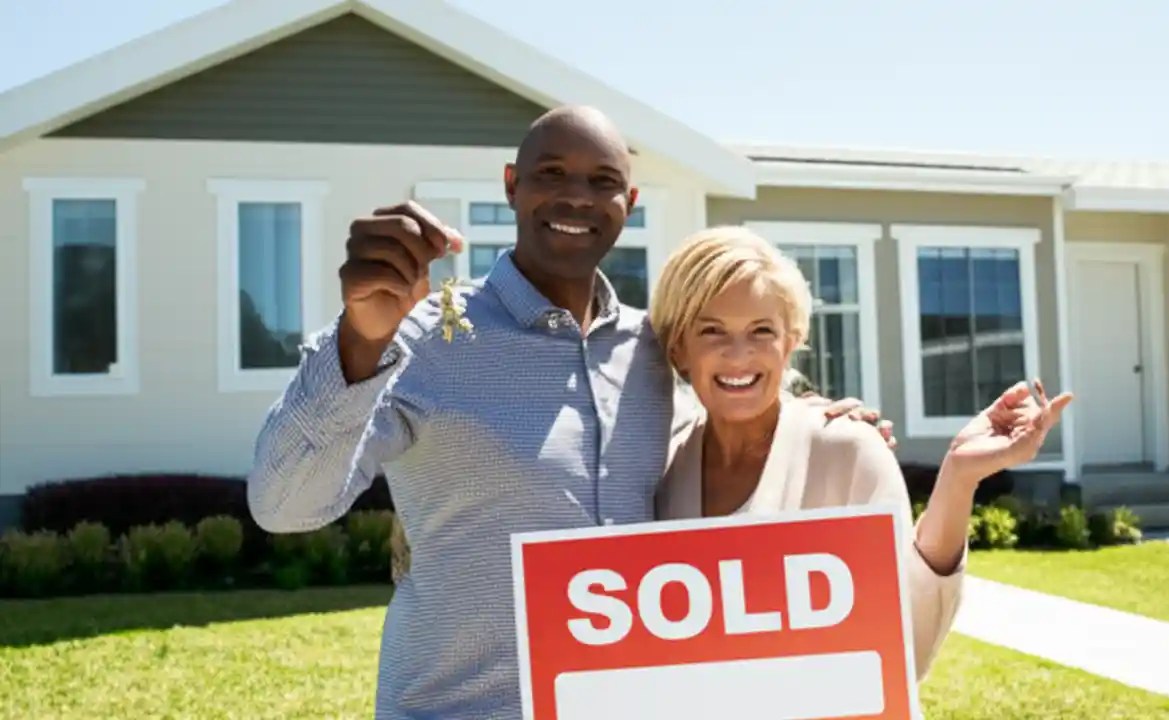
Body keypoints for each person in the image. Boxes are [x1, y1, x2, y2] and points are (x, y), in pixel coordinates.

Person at [246, 105, 892, 719]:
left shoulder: (650, 350)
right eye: (552, 173)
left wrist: (818, 421)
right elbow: (285, 506)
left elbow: (733, 402)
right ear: (512, 186)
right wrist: (360, 340)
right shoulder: (420, 337)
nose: (578, 196)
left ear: (628, 204)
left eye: (602, 181)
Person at [648, 225, 1073, 680]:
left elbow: (906, 644)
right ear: (679, 348)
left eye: (761, 330)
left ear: (790, 342)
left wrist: (959, 476)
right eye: (712, 331)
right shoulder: (662, 467)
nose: (739, 354)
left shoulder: (845, 449)